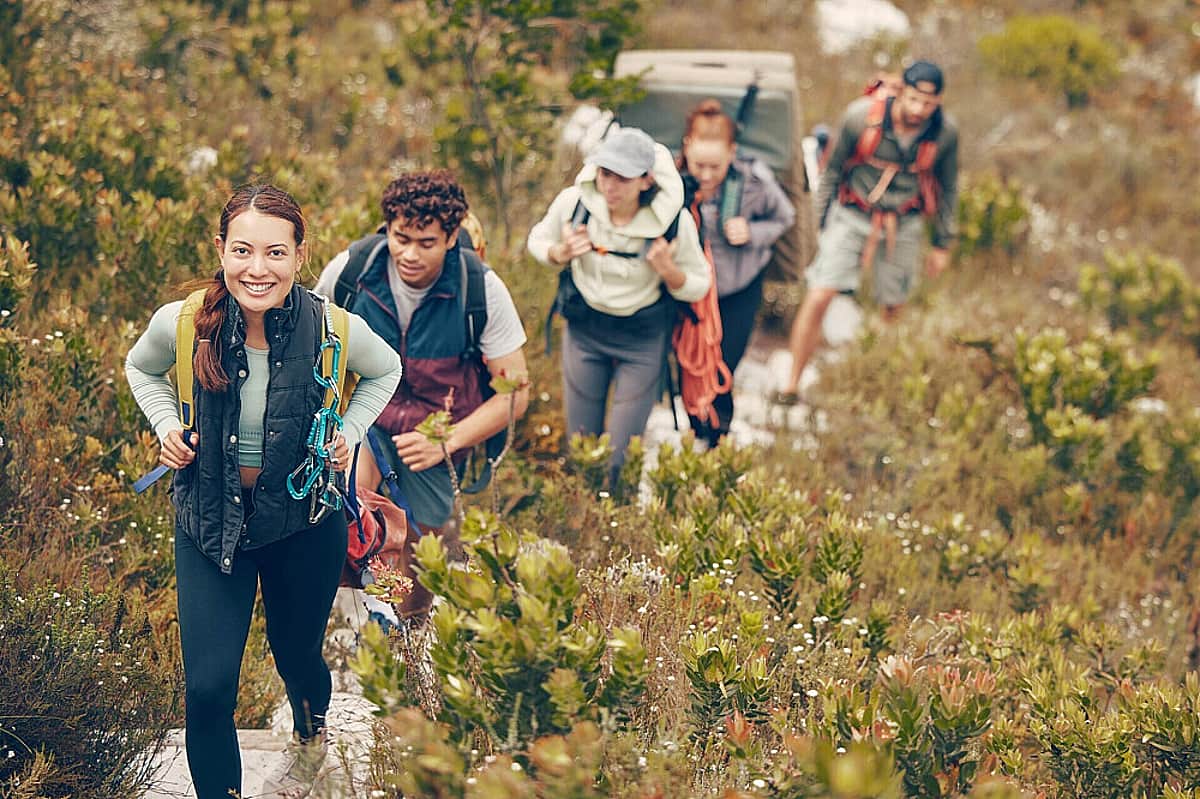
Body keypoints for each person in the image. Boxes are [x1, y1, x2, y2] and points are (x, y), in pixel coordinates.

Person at [125, 184, 403, 799]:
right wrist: (167, 424)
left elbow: (387, 371)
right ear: (221, 249)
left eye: (275, 253)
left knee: (297, 654)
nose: (258, 269)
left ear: (300, 256)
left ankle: (310, 735)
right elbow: (140, 369)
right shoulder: (180, 322)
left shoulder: (331, 326)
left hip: (305, 522)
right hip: (209, 518)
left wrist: (349, 435)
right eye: (243, 250)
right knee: (207, 686)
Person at [314, 170, 530, 538]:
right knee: (350, 515)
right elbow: (309, 347)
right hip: (365, 413)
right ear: (388, 227)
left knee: (420, 559)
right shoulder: (352, 272)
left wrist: (447, 440)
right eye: (401, 238)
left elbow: (517, 394)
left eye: (426, 243)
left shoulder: (481, 289)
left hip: (435, 430)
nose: (410, 255)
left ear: (451, 237)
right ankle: (349, 589)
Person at [527, 127, 711, 482]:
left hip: (641, 340)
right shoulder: (575, 204)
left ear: (646, 181)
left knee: (621, 457)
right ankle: (582, 523)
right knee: (582, 447)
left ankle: (618, 522)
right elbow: (538, 240)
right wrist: (560, 252)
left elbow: (699, 284)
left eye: (622, 178)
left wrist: (669, 272)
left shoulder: (673, 221)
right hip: (584, 331)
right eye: (604, 173)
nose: (609, 186)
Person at [777, 60, 959, 403]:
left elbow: (949, 187)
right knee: (818, 295)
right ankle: (791, 383)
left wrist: (942, 244)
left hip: (903, 222)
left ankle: (876, 381)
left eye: (929, 104)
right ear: (899, 91)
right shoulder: (861, 117)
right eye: (914, 99)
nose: (919, 110)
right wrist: (814, 230)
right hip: (853, 213)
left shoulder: (944, 133)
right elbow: (831, 173)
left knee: (893, 306)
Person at [677, 99, 795, 445]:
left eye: (716, 165)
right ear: (687, 148)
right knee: (691, 363)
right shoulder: (672, 179)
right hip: (690, 292)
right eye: (700, 165)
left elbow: (784, 217)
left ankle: (718, 438)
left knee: (723, 364)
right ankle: (696, 430)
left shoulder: (754, 182)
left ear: (733, 152)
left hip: (738, 288)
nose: (707, 175)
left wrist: (753, 232)